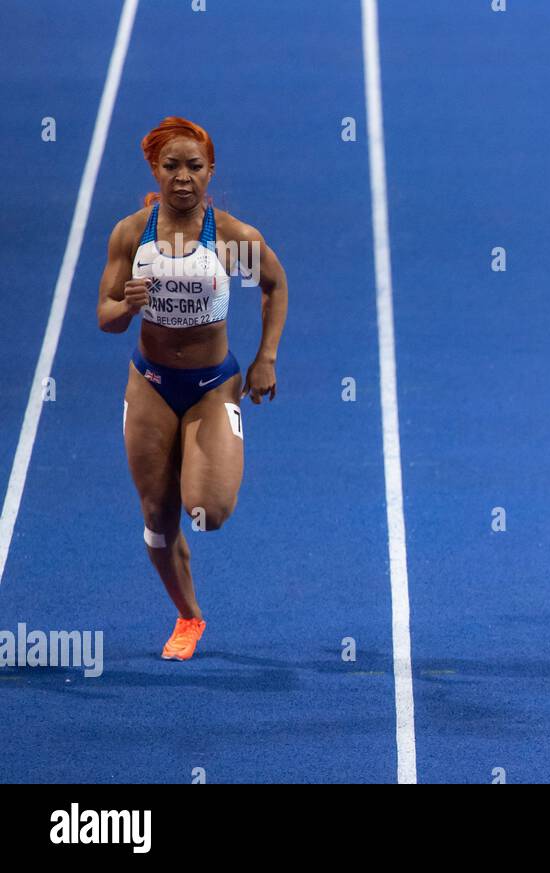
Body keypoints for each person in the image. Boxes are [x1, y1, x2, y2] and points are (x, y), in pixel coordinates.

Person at [97, 116, 287, 661]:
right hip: (152, 386)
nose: (183, 178)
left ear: (211, 172)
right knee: (158, 517)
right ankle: (188, 616)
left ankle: (196, 463)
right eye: (171, 166)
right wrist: (127, 305)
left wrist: (265, 357)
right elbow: (105, 318)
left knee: (208, 512)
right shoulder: (132, 234)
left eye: (194, 167)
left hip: (211, 387)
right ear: (155, 171)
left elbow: (274, 284)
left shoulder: (230, 238)